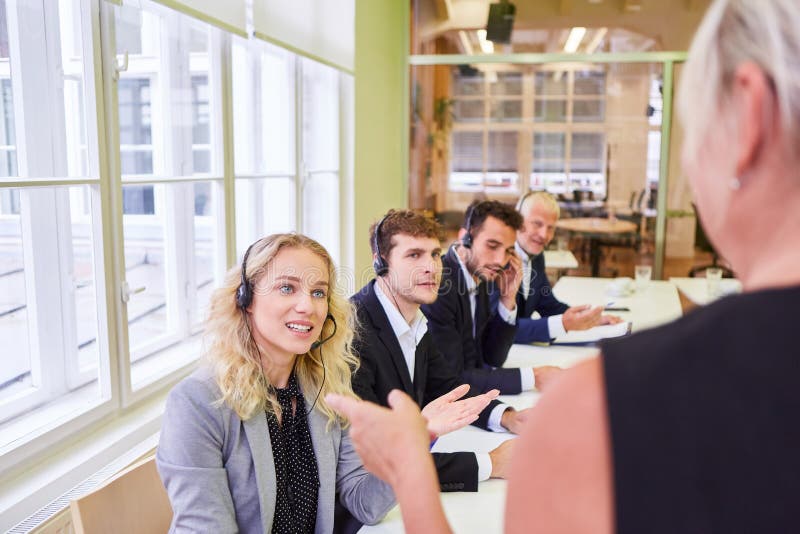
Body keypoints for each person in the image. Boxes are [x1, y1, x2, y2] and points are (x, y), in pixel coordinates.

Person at [326, 0, 800, 531]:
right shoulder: (369, 325)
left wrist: (416, 470)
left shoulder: (599, 410)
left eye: (692, 130)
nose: (688, 162)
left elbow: (452, 384)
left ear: (750, 114)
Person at [156, 234, 395, 533]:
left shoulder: (326, 388)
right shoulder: (198, 401)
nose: (307, 306)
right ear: (246, 299)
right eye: (287, 288)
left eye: (319, 293)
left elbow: (365, 504)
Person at [351, 209, 517, 493]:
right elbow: (380, 457)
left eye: (435, 254)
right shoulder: (353, 334)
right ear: (380, 263)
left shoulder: (414, 321)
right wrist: (489, 463)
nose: (431, 267)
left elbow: (448, 387)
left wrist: (507, 416)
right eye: (414, 255)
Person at [420, 200, 560, 403]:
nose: (500, 260)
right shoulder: (439, 286)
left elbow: (492, 358)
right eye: (492, 246)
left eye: (508, 251)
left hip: (471, 400)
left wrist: (507, 298)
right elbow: (453, 377)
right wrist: (533, 377)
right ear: (465, 237)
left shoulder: (481, 274)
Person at [511, 191, 621, 344]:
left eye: (551, 228)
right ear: (518, 221)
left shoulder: (536, 257)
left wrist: (588, 319)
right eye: (537, 224)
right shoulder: (497, 261)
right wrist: (563, 324)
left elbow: (548, 305)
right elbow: (500, 329)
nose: (544, 235)